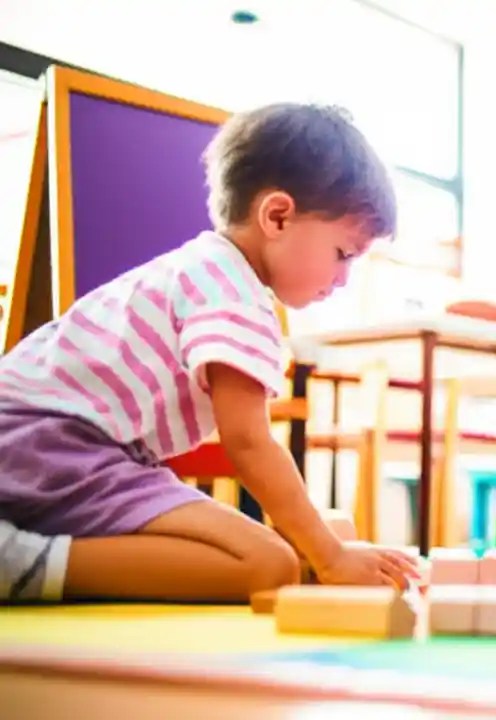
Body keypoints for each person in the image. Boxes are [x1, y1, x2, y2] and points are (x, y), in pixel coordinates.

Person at [0, 103, 419, 603]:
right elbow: (249, 442)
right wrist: (329, 556)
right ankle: (18, 562)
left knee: (276, 551)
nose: (344, 278)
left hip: (44, 440)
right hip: (56, 446)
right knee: (266, 564)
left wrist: (324, 547)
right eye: (343, 253)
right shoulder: (233, 295)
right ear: (277, 215)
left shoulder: (204, 269)